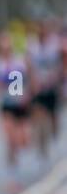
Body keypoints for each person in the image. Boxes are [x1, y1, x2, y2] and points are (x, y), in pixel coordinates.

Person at [0, 30, 32, 190]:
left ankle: (15, 168)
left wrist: (26, 95)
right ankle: (13, 176)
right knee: (10, 141)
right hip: (6, 105)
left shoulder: (20, 63)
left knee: (23, 141)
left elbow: (28, 82)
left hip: (20, 105)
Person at [28, 18, 63, 162]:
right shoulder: (32, 46)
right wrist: (30, 83)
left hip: (52, 85)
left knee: (53, 116)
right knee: (38, 115)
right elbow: (27, 66)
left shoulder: (56, 45)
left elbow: (62, 63)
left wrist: (59, 79)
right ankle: (41, 143)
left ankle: (53, 134)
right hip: (38, 86)